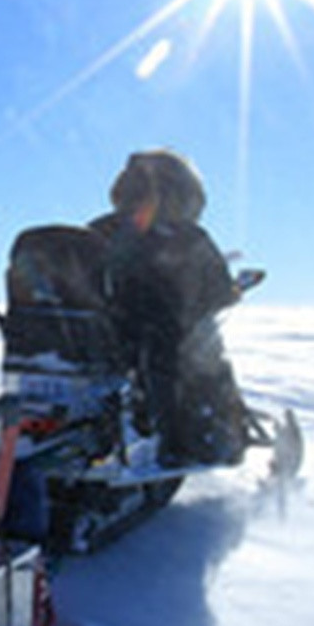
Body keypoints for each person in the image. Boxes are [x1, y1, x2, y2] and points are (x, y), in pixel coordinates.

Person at [86, 148, 253, 466]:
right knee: (209, 360)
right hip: (160, 343)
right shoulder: (188, 236)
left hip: (100, 339)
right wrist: (231, 291)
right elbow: (215, 291)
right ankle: (208, 440)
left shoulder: (97, 229)